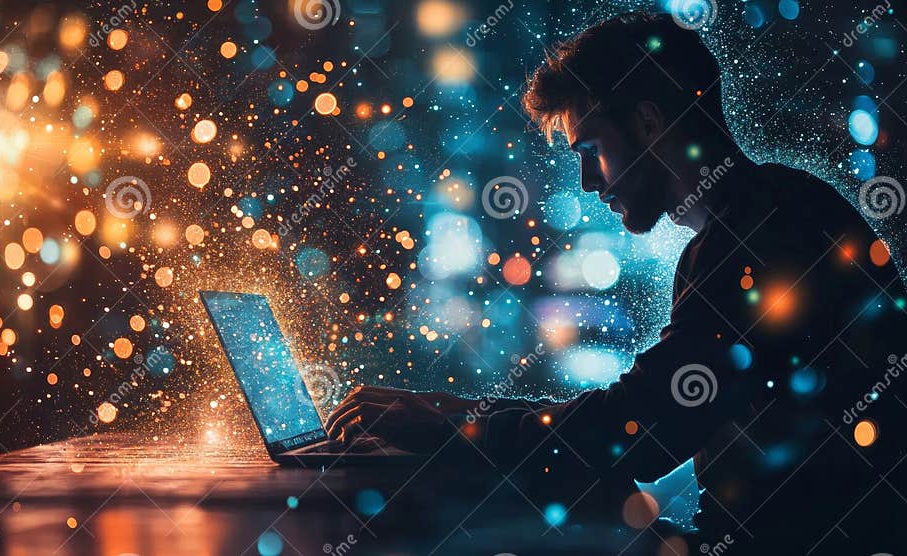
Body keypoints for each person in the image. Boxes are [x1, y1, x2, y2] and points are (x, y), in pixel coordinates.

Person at [326, 11, 907, 553]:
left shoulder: (767, 234)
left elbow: (634, 432)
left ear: (649, 123)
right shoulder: (753, 219)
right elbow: (637, 413)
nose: (585, 181)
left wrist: (456, 428)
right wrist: (459, 411)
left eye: (591, 149)